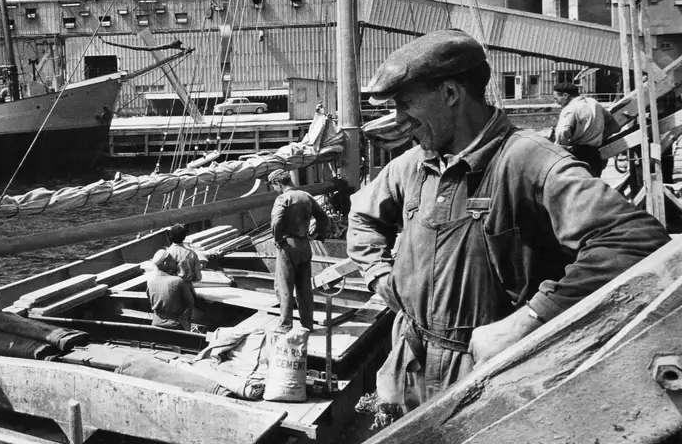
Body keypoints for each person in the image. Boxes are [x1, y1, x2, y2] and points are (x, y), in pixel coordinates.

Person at [348, 29, 670, 417]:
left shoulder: (530, 161)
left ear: (450, 94)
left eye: (406, 105)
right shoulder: (414, 164)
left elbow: (634, 240)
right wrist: (381, 277)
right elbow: (363, 217)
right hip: (411, 363)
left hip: (487, 378)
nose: (400, 122)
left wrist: (529, 320)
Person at [268, 170, 330, 333]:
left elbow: (276, 222)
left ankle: (285, 325)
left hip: (288, 245)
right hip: (304, 245)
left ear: (279, 184)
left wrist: (278, 239)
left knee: (284, 286)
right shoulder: (306, 196)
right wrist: (318, 235)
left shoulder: (283, 198)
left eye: (274, 186)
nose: (275, 190)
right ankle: (307, 324)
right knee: (304, 287)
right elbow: (323, 217)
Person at [552, 82, 612, 177]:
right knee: (594, 186)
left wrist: (559, 150)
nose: (556, 102)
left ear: (565, 95)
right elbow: (610, 120)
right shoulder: (594, 103)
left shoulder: (569, 109)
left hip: (577, 156)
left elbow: (563, 132)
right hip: (595, 155)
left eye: (556, 98)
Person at [146, 249, 197, 331]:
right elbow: (191, 303)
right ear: (165, 263)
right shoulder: (178, 281)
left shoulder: (150, 281)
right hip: (176, 325)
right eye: (172, 259)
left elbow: (151, 300)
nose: (175, 261)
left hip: (156, 323)